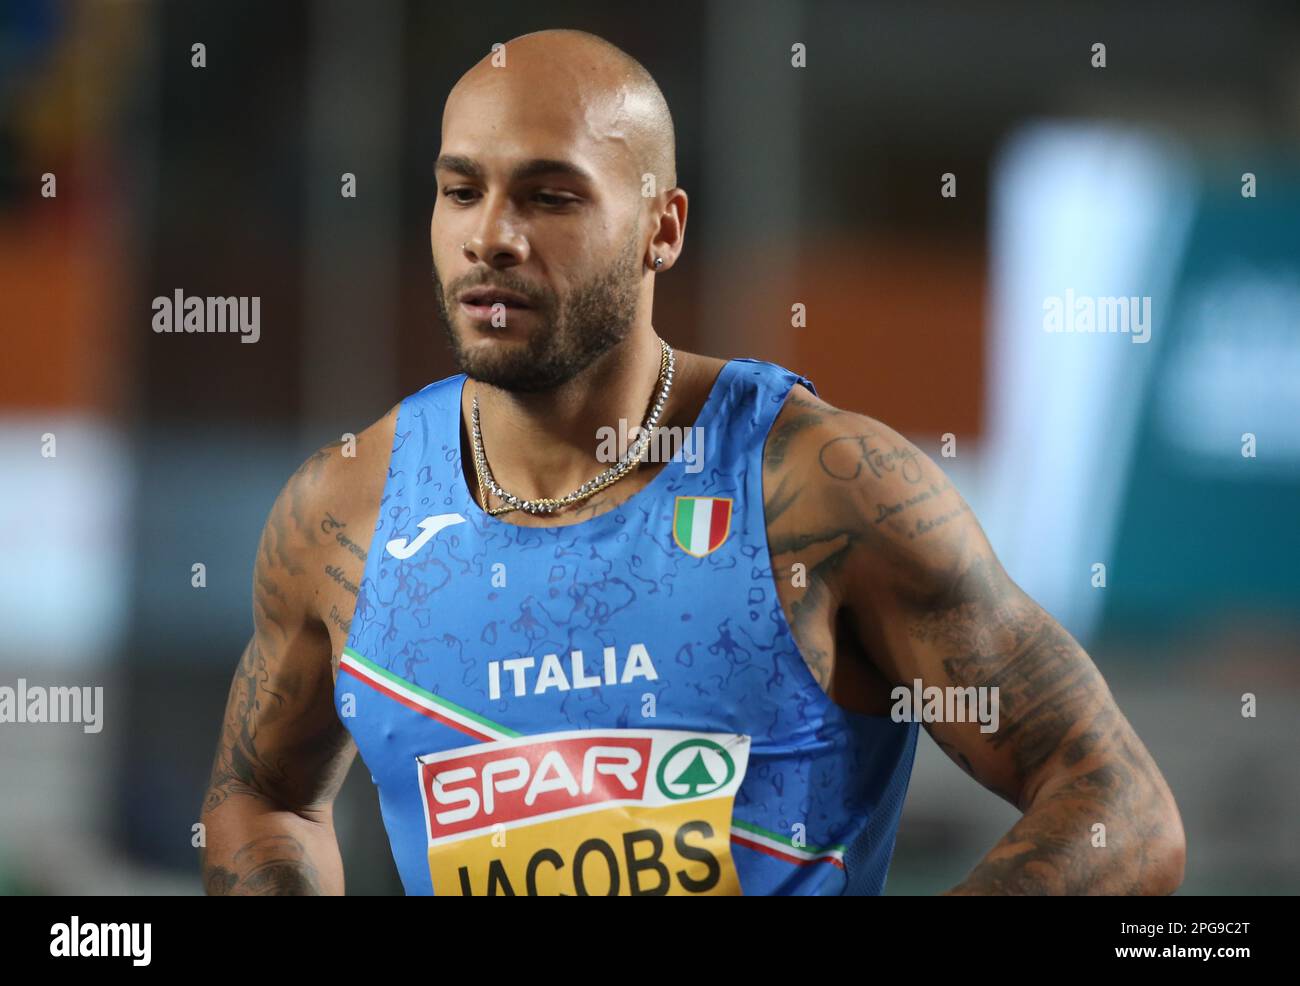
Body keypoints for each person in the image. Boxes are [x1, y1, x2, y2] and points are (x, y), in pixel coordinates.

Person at [200, 28, 1184, 895]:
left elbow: (1118, 806)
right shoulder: (345, 509)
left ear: (660, 228)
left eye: (549, 196)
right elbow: (262, 800)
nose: (489, 237)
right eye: (461, 190)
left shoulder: (825, 491)